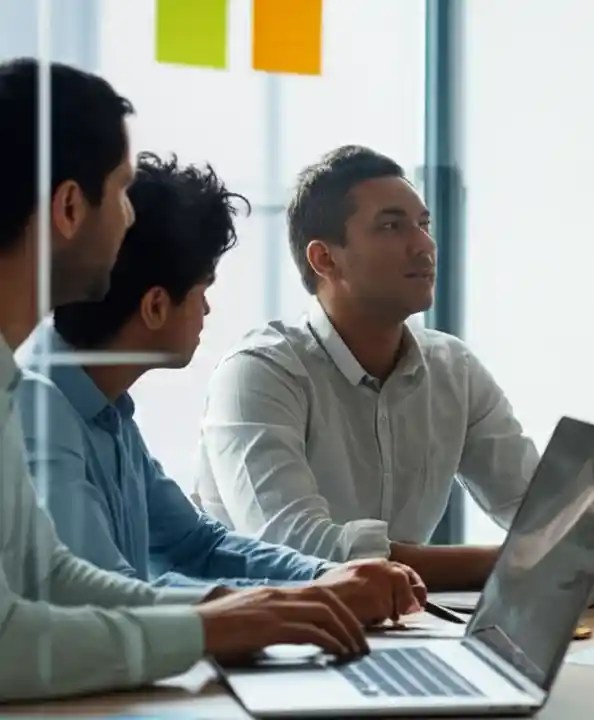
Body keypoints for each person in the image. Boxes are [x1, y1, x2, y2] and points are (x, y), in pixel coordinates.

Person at [0, 58, 373, 702]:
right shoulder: (36, 405)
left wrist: (262, 606)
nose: (129, 216)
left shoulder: (16, 390)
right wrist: (210, 627)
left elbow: (53, 575)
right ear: (67, 207)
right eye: (120, 190)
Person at [16, 152, 425, 625]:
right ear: (154, 307)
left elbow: (196, 544)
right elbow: (104, 600)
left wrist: (328, 576)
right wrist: (302, 602)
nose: (207, 311)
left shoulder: (105, 408)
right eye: (203, 289)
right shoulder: (37, 410)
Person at [194, 145, 538, 590]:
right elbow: (300, 552)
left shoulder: (454, 368)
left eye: (423, 225)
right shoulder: (259, 373)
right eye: (392, 226)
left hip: (397, 628)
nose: (425, 246)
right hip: (268, 639)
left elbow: (533, 507)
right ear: (325, 259)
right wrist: (515, 562)